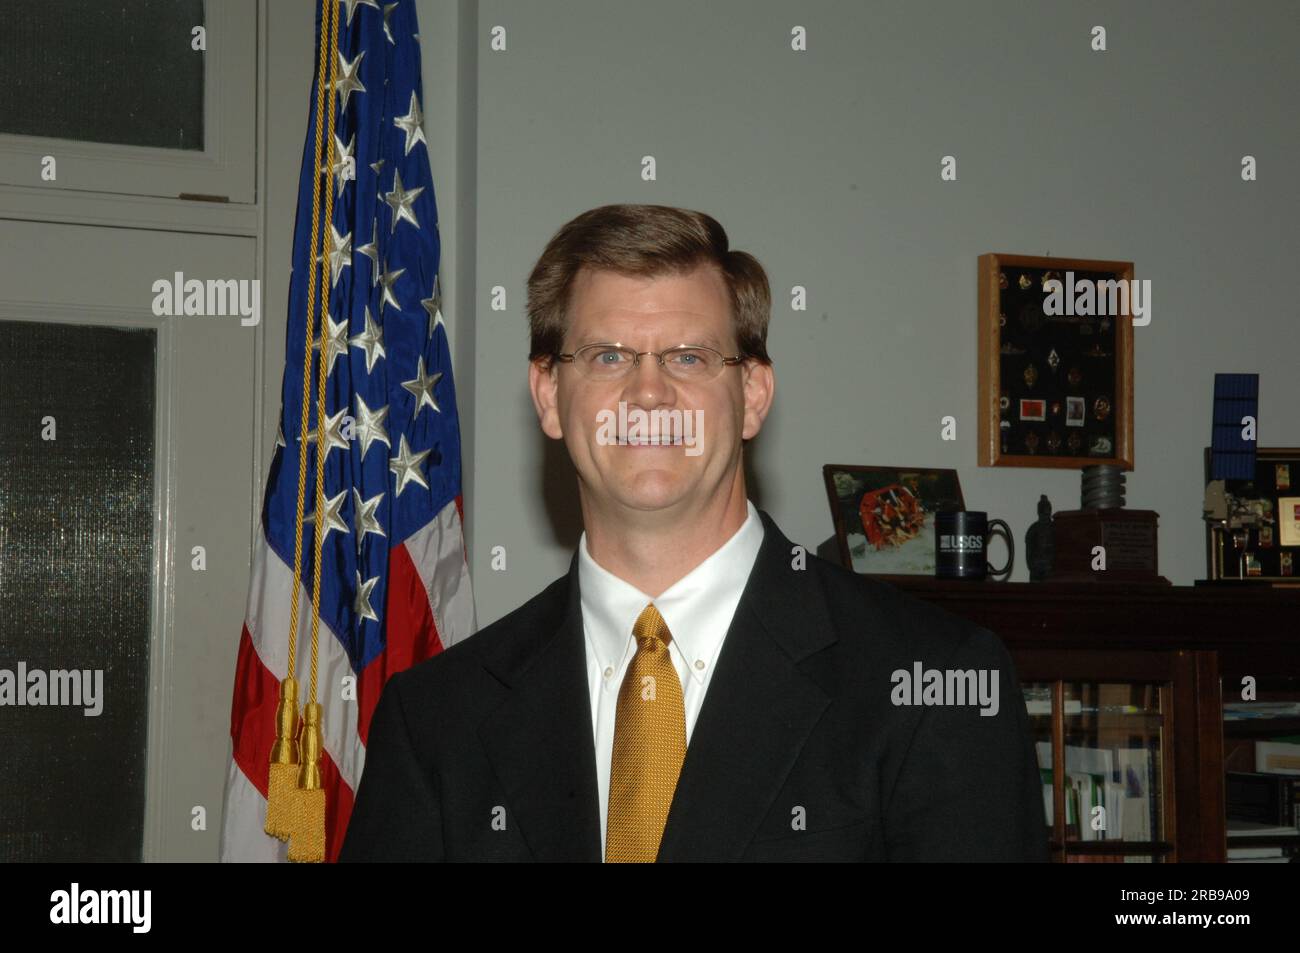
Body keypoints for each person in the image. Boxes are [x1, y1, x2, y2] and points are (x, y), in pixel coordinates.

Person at [340, 203, 1048, 862]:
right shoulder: (435, 721)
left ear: (753, 396)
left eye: (689, 356)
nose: (649, 393)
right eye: (608, 355)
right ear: (550, 396)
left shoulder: (938, 686)